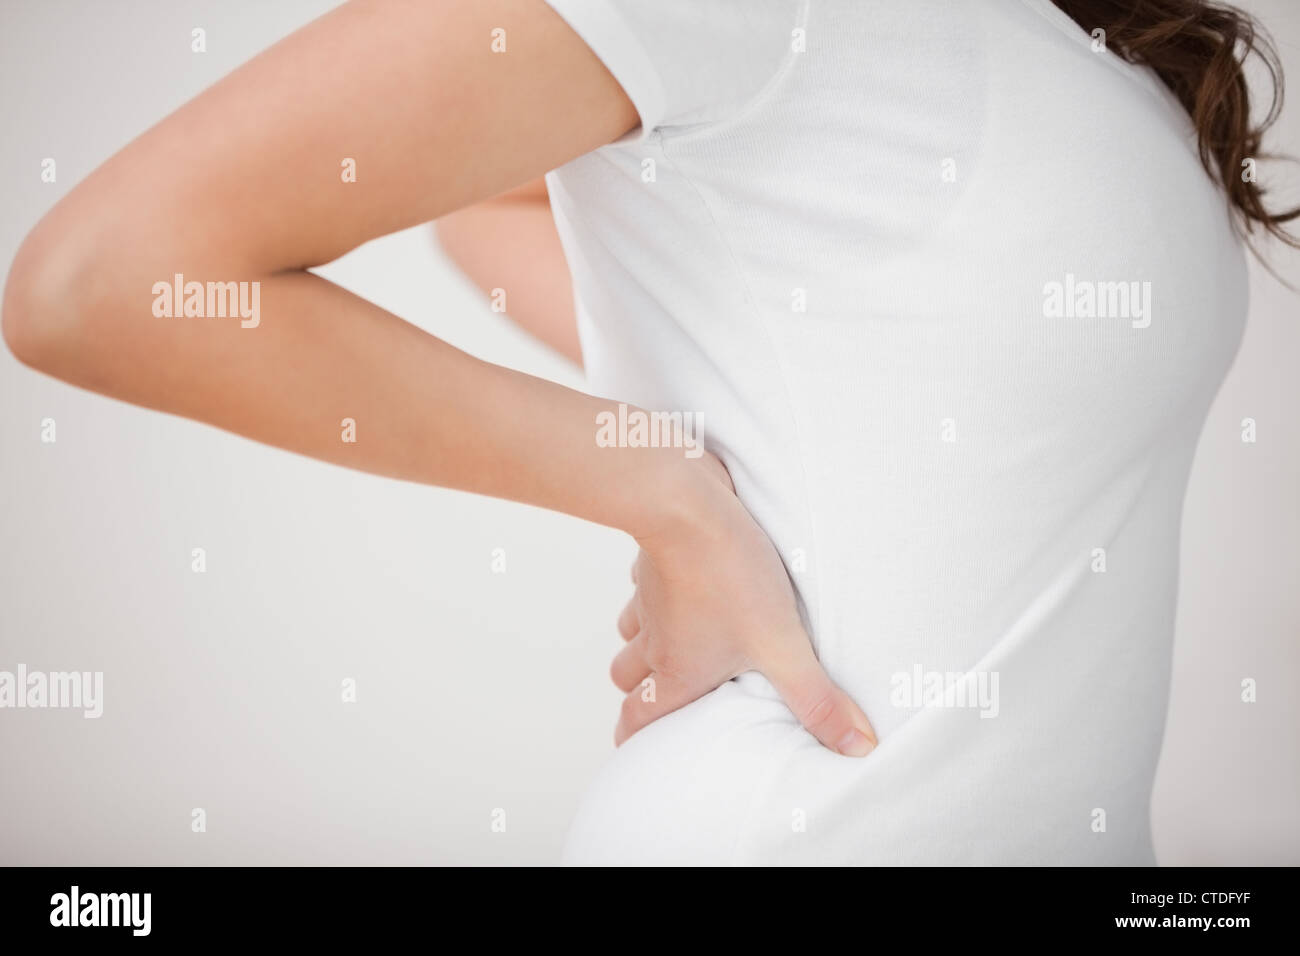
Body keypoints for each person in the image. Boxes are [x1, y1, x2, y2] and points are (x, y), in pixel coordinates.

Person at [3, 0, 1295, 864]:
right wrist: (665, 484)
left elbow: (501, 212)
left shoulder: (1080, 45)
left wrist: (743, 412)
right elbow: (100, 283)